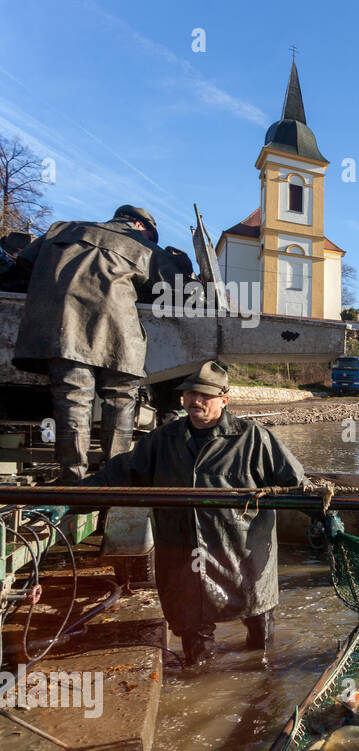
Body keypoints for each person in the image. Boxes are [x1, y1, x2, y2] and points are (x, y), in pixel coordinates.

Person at [82, 361, 306, 667]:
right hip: (184, 558)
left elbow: (297, 484)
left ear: (224, 400)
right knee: (195, 647)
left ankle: (262, 691)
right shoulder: (164, 439)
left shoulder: (254, 438)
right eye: (189, 394)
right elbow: (118, 475)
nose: (195, 401)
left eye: (204, 395)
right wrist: (69, 499)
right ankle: (200, 676)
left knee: (260, 647)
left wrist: (326, 518)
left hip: (243, 557)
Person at [12, 206, 190, 480]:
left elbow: (21, 267)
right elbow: (174, 289)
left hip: (62, 326)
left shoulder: (60, 229)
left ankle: (73, 478)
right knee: (120, 397)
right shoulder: (141, 244)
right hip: (118, 330)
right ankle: (115, 476)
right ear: (140, 225)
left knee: (72, 397)